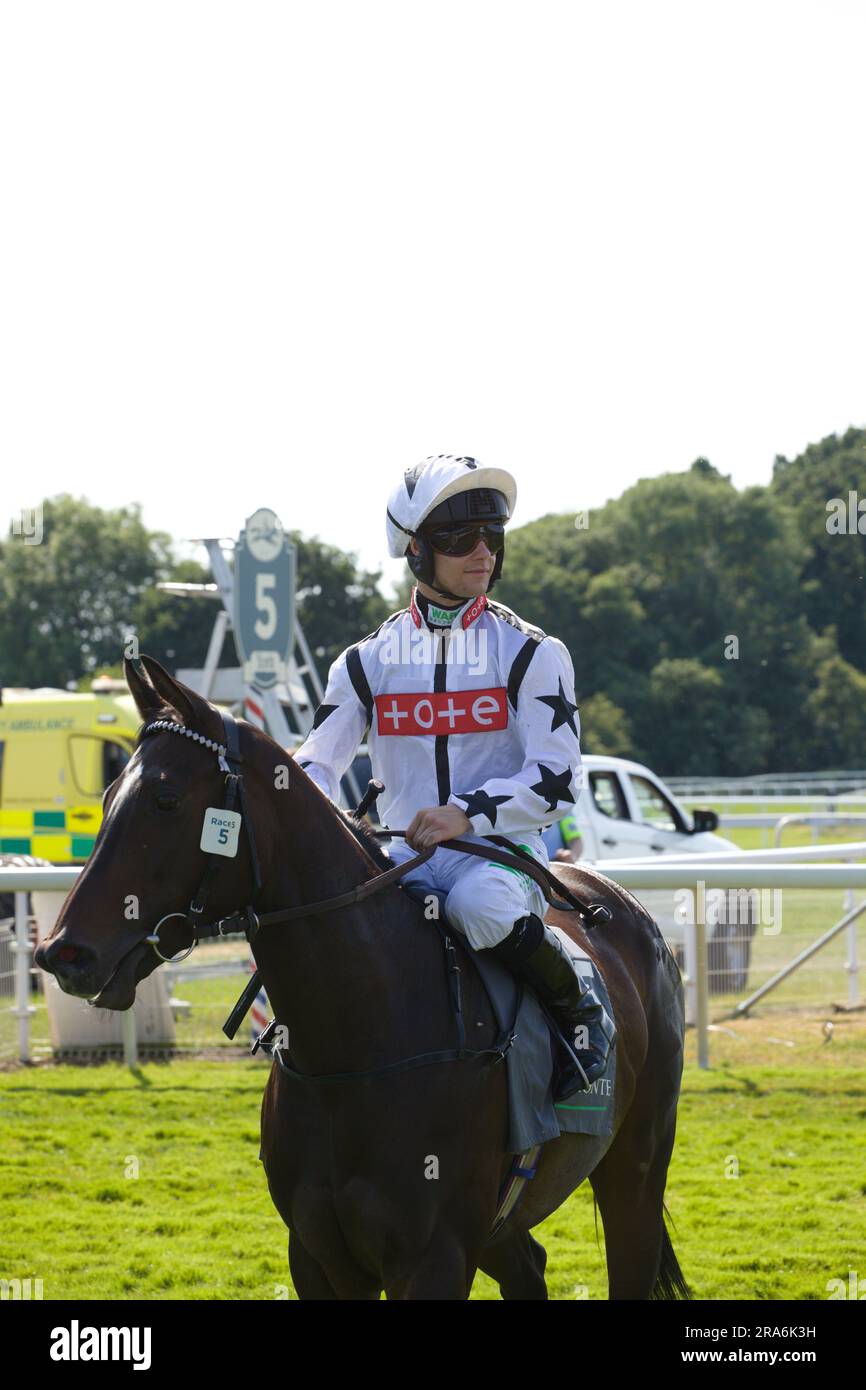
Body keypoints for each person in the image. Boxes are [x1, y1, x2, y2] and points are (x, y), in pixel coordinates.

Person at [293, 454, 615, 1095]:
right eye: (460, 539)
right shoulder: (365, 662)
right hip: (394, 862)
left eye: (492, 536)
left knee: (479, 905)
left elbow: (556, 778)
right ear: (415, 551)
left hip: (494, 856)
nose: (483, 553)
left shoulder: (534, 652)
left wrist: (465, 812)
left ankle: (580, 1014)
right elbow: (314, 764)